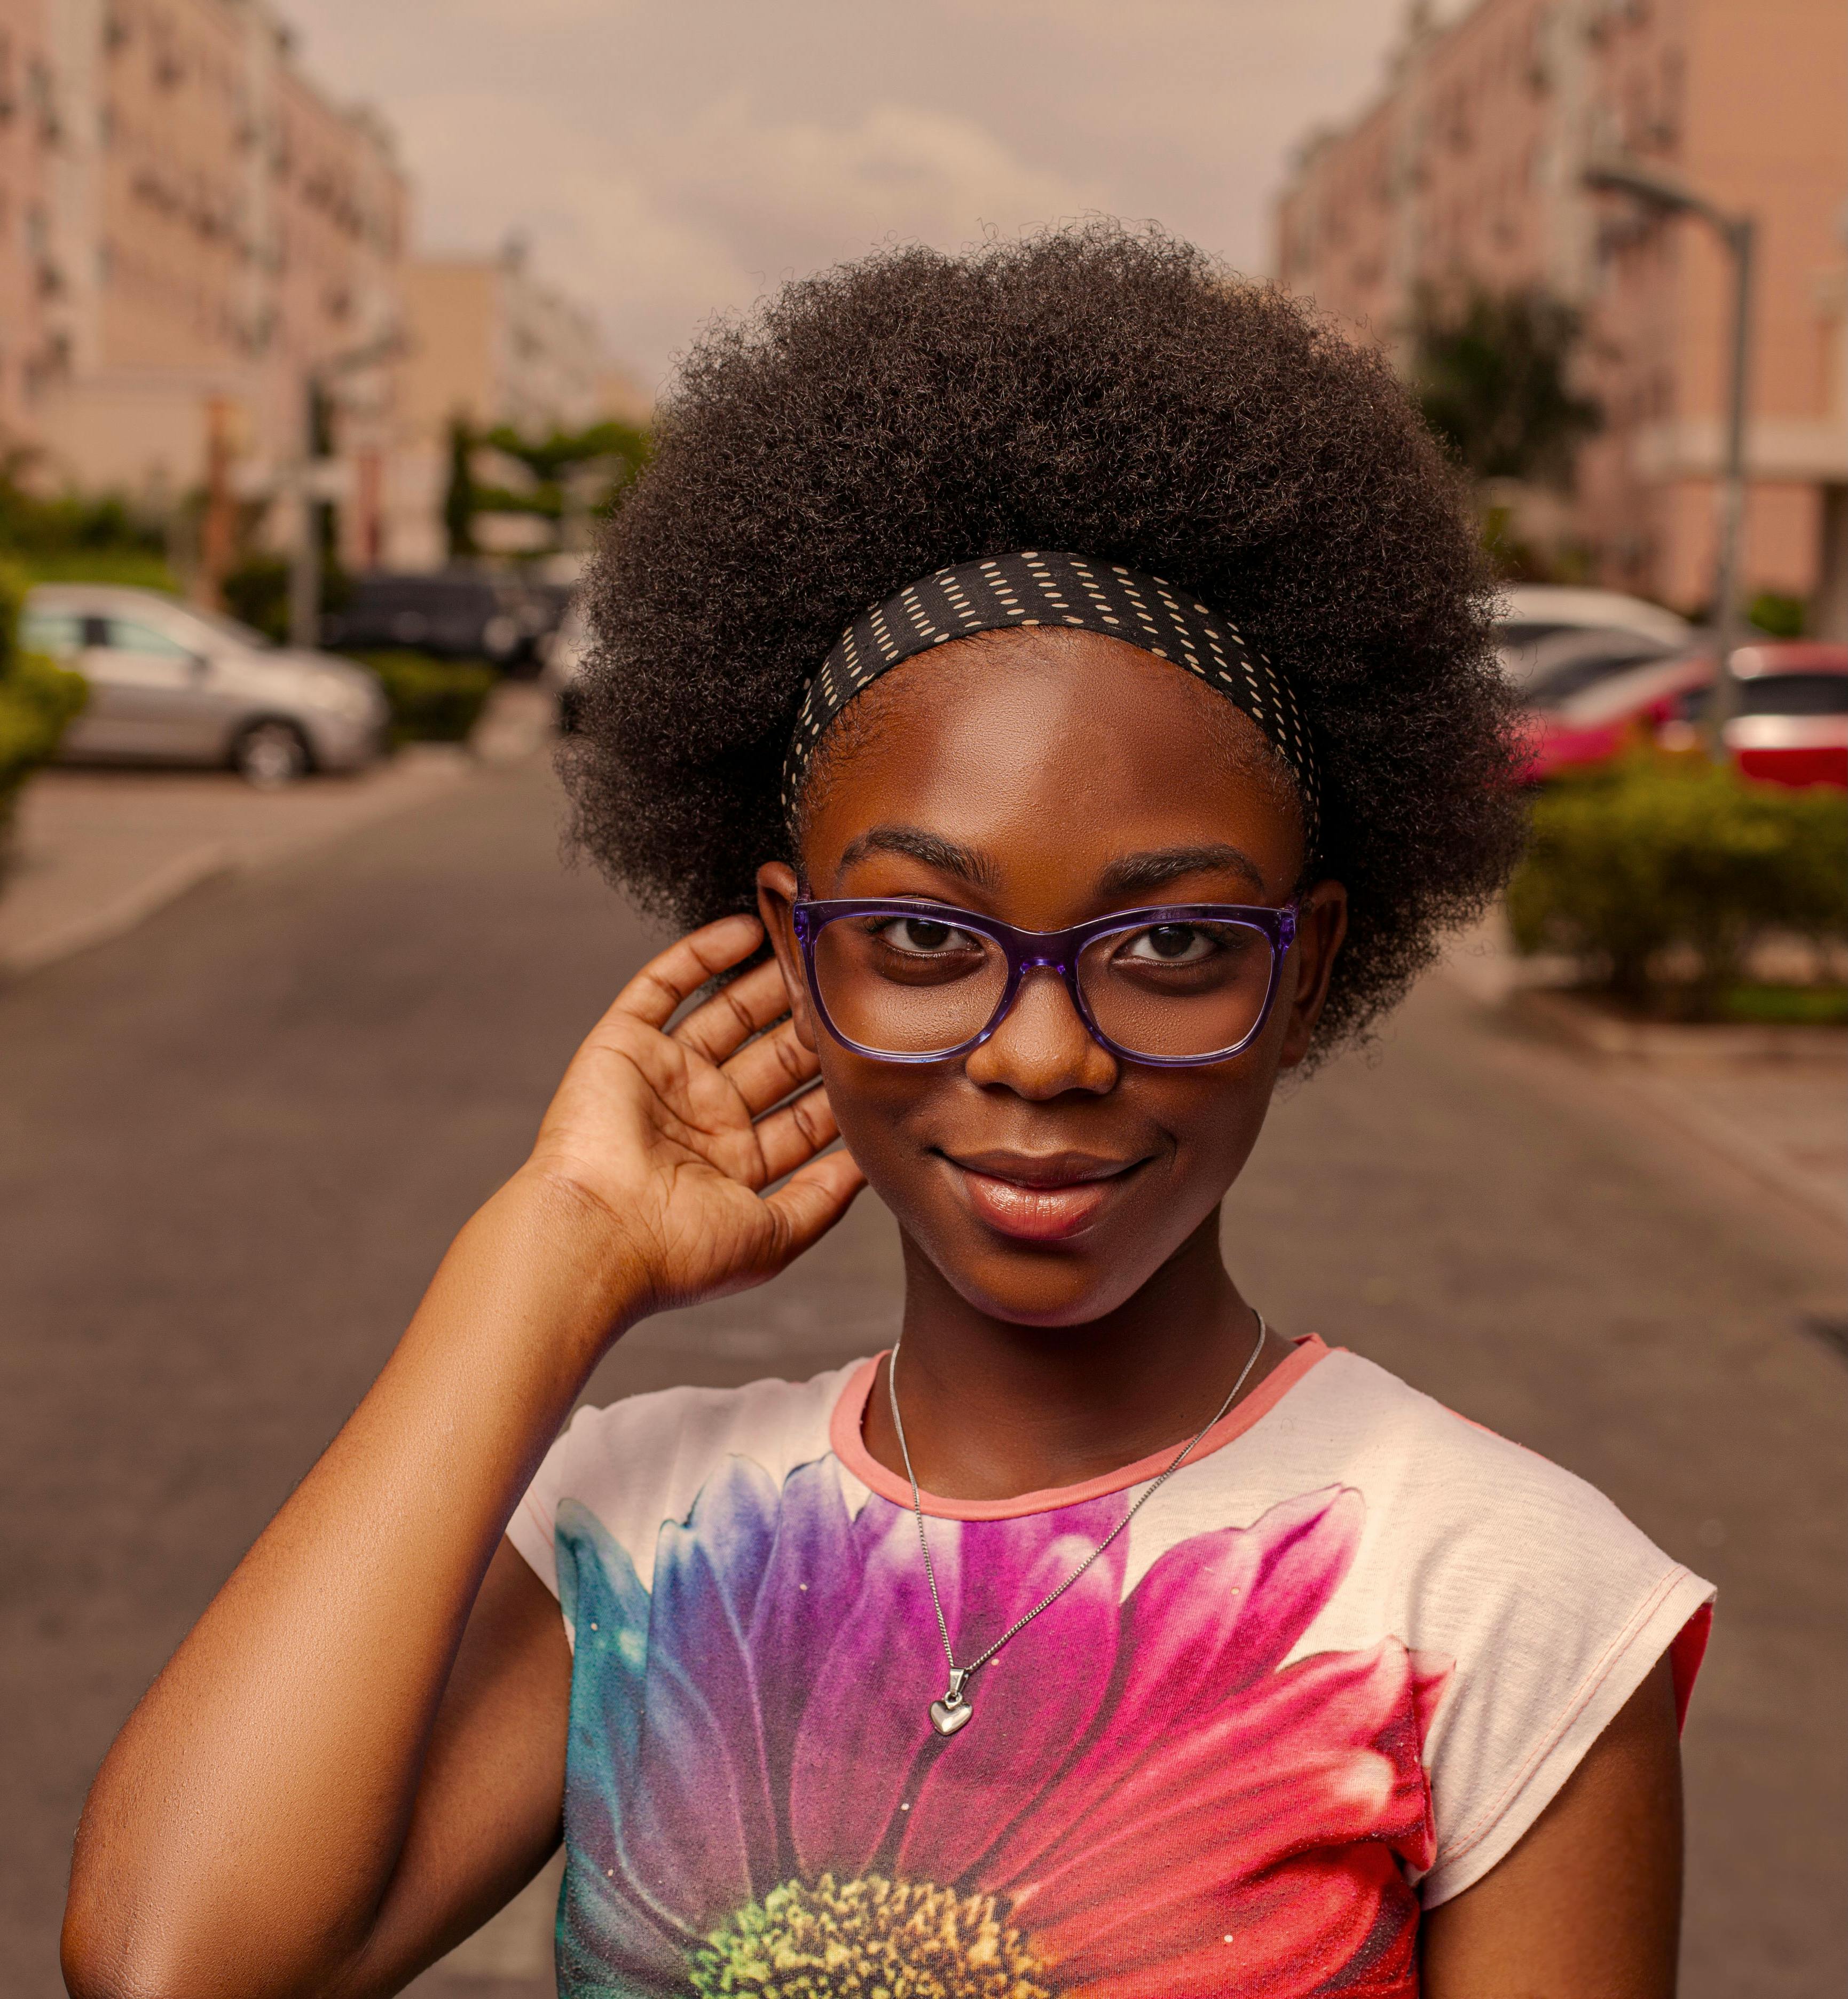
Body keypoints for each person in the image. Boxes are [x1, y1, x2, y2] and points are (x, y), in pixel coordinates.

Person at [64, 226, 1712, 1999]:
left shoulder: (1502, 1592)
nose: (1041, 1053)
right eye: (925, 935)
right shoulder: (650, 1525)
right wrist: (545, 1266)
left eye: (1168, 940)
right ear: (792, 948)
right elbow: (175, 1962)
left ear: (1305, 971)